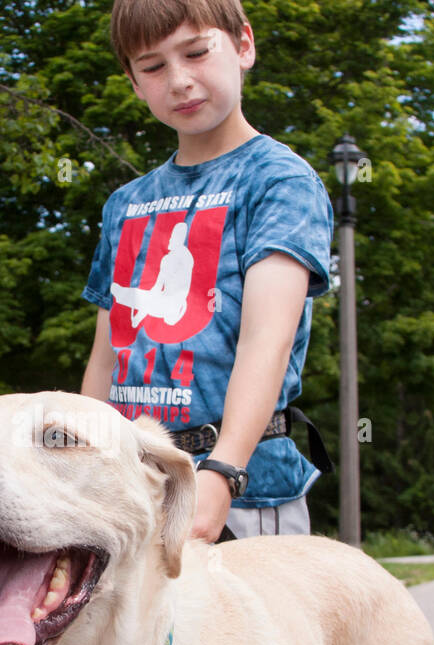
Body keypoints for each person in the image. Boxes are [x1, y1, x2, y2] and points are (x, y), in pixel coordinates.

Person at [81, 0, 334, 542]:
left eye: (196, 52)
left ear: (243, 44)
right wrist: (84, 464)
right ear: (133, 81)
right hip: (132, 489)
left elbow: (265, 343)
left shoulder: (280, 182)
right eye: (152, 67)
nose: (179, 81)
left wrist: (224, 472)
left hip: (242, 493)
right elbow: (107, 356)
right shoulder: (125, 204)